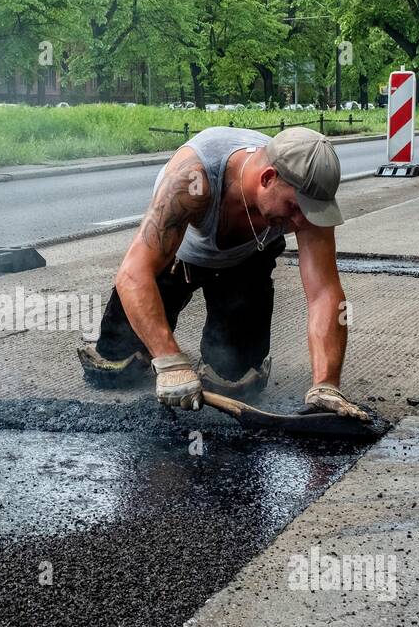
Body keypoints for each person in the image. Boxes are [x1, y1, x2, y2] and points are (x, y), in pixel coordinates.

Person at [77, 125, 367, 420]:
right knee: (115, 364)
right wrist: (170, 362)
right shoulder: (194, 178)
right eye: (293, 208)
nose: (298, 222)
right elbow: (133, 274)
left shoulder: (307, 198)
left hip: (246, 261)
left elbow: (324, 292)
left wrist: (326, 385)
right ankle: (150, 352)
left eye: (307, 212)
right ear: (267, 178)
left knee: (233, 380)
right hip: (175, 260)